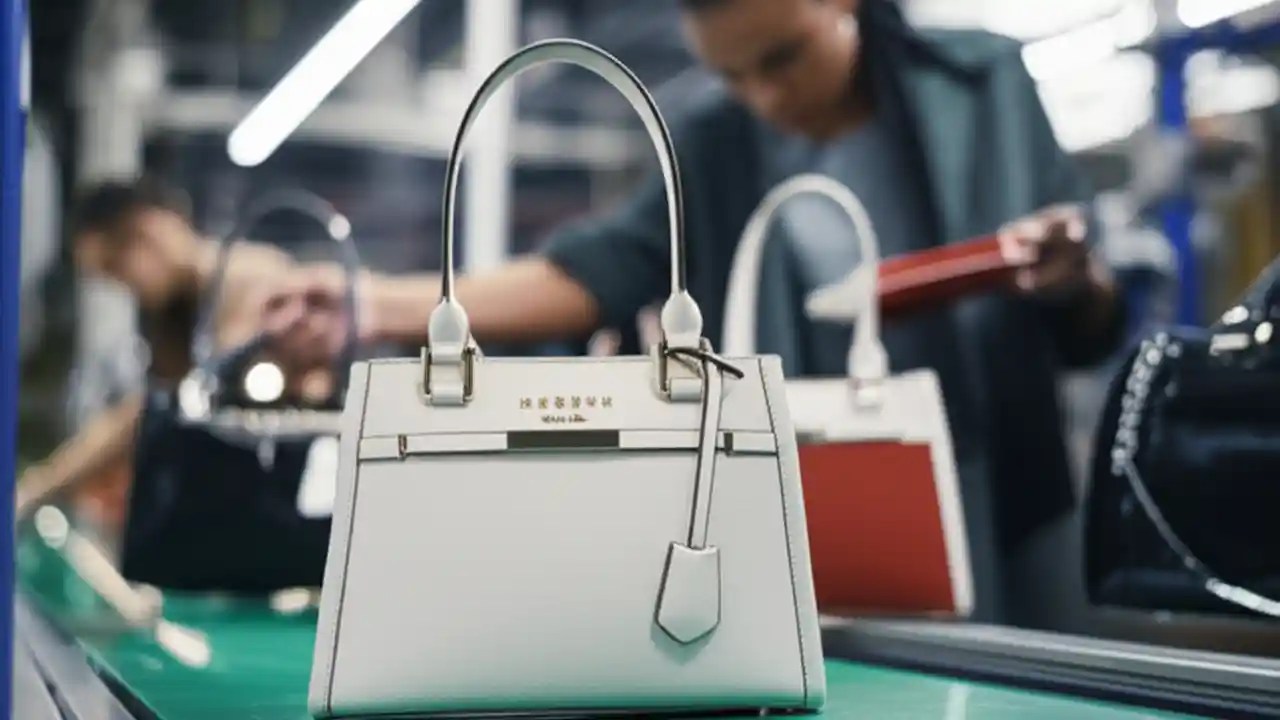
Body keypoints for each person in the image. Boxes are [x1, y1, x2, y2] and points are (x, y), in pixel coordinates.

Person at [267, 0, 1123, 623]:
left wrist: (1070, 279)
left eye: (783, 57)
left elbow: (1094, 322)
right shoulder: (712, 138)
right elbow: (595, 270)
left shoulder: (985, 84)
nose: (763, 96)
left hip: (1010, 483)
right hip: (808, 486)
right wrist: (365, 301)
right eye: (732, 73)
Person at [16, 177, 311, 519]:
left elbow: (158, 408)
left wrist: (43, 485)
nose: (124, 286)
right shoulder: (178, 318)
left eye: (115, 267)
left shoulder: (251, 278)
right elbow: (148, 410)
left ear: (147, 231)